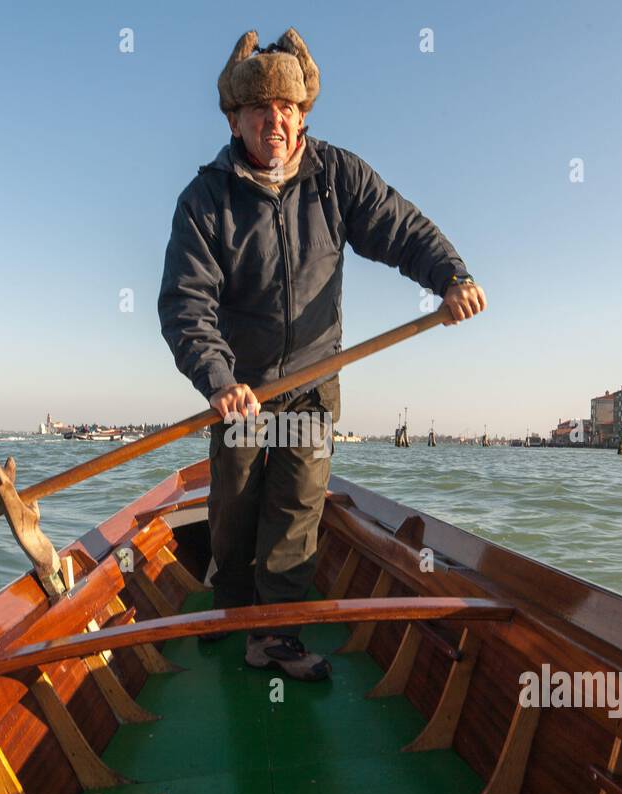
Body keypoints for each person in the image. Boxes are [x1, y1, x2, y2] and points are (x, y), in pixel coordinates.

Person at [158, 28, 486, 681]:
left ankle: (275, 640)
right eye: (258, 110)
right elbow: (185, 306)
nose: (273, 121)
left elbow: (402, 229)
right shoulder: (205, 199)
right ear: (235, 119)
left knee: (296, 512)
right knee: (233, 513)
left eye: (286, 108)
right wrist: (219, 379)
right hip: (242, 391)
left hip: (311, 383)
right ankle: (230, 614)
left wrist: (450, 277)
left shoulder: (337, 177)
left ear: (302, 114)